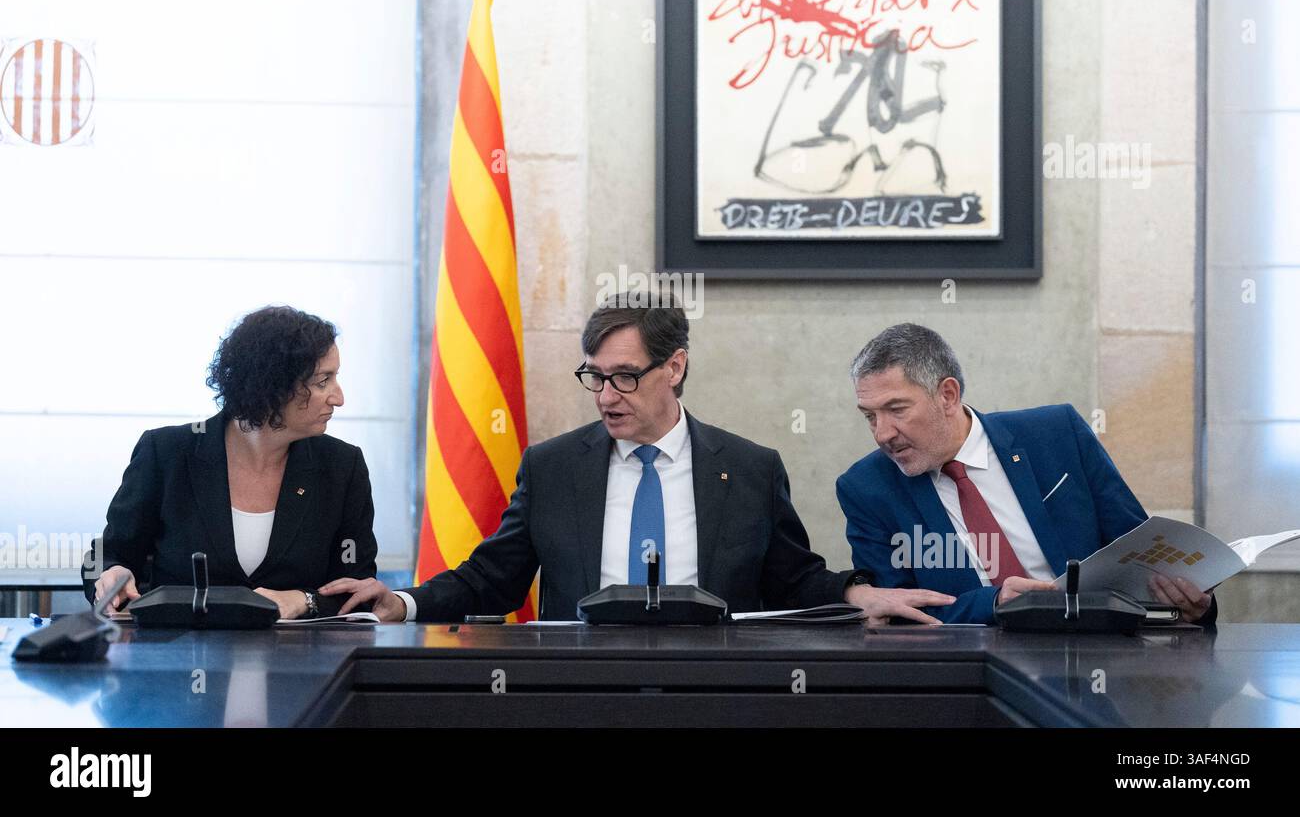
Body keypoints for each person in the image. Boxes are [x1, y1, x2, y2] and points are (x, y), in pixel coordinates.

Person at [322, 296, 954, 623]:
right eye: (594, 378)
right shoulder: (554, 468)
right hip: (580, 693)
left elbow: (791, 582)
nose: (605, 396)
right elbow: (491, 578)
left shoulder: (750, 468)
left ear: (674, 367)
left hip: (713, 696)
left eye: (624, 377)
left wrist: (857, 594)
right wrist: (401, 602)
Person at [836, 323, 1217, 626]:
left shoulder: (1056, 434)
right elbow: (894, 613)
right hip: (968, 669)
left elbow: (1135, 549)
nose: (882, 432)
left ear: (948, 396)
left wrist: (1188, 600)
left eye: (896, 409)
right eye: (870, 416)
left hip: (1096, 654)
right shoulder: (867, 488)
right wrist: (995, 603)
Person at [83, 305, 378, 619]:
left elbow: (358, 588)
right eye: (323, 381)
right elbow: (105, 556)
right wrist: (111, 574)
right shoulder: (167, 452)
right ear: (272, 385)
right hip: (178, 659)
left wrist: (304, 599)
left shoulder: (343, 466)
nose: (338, 397)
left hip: (300, 659)